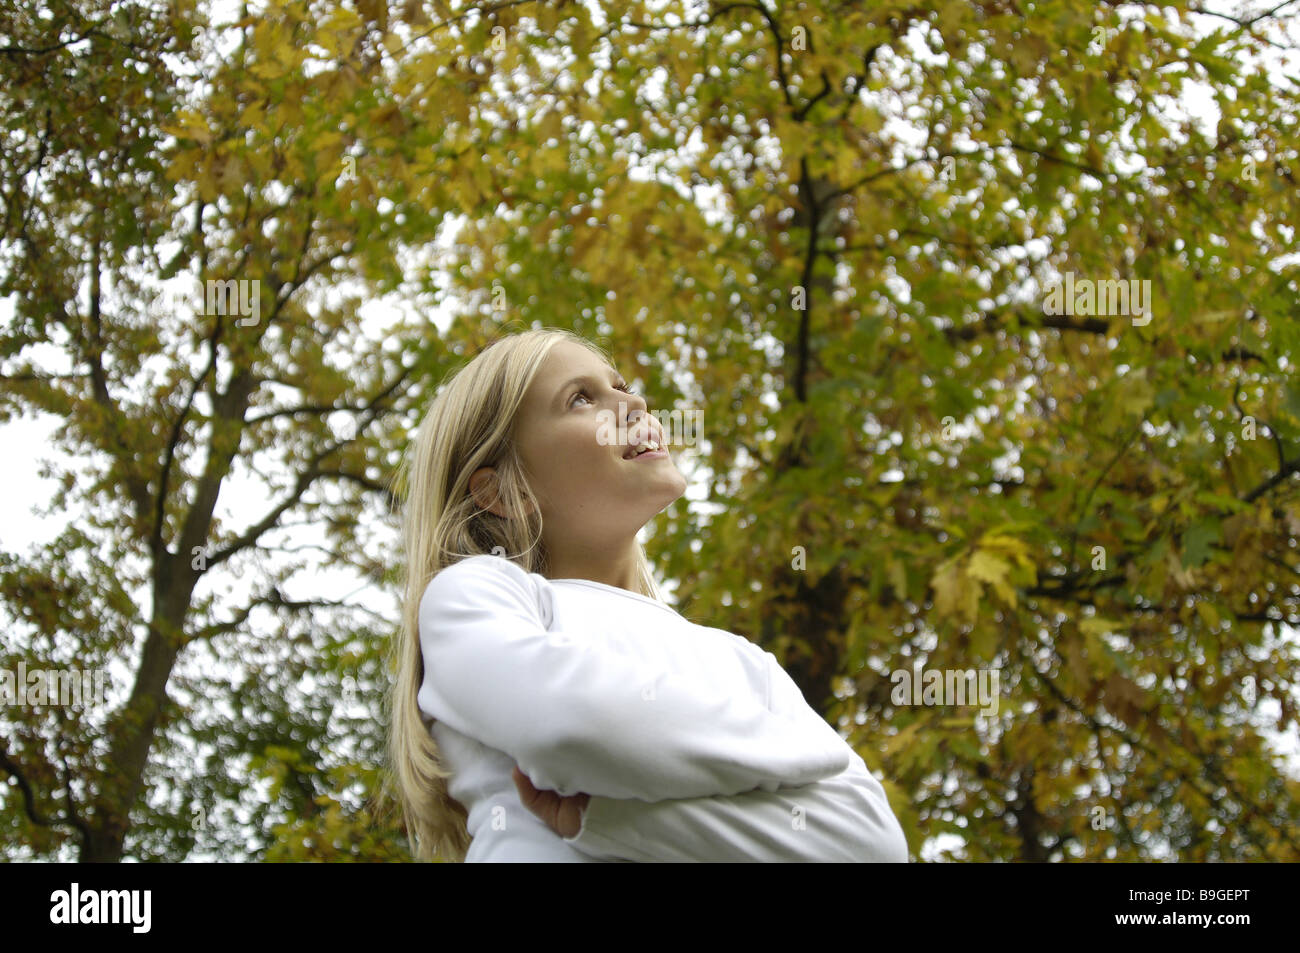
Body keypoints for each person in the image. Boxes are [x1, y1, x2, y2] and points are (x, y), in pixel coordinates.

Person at [383, 327, 908, 862]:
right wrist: (799, 753)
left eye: (622, 386)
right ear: (506, 492)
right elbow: (569, 728)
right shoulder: (477, 594)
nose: (634, 403)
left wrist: (604, 818)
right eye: (580, 398)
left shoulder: (743, 660)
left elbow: (872, 844)